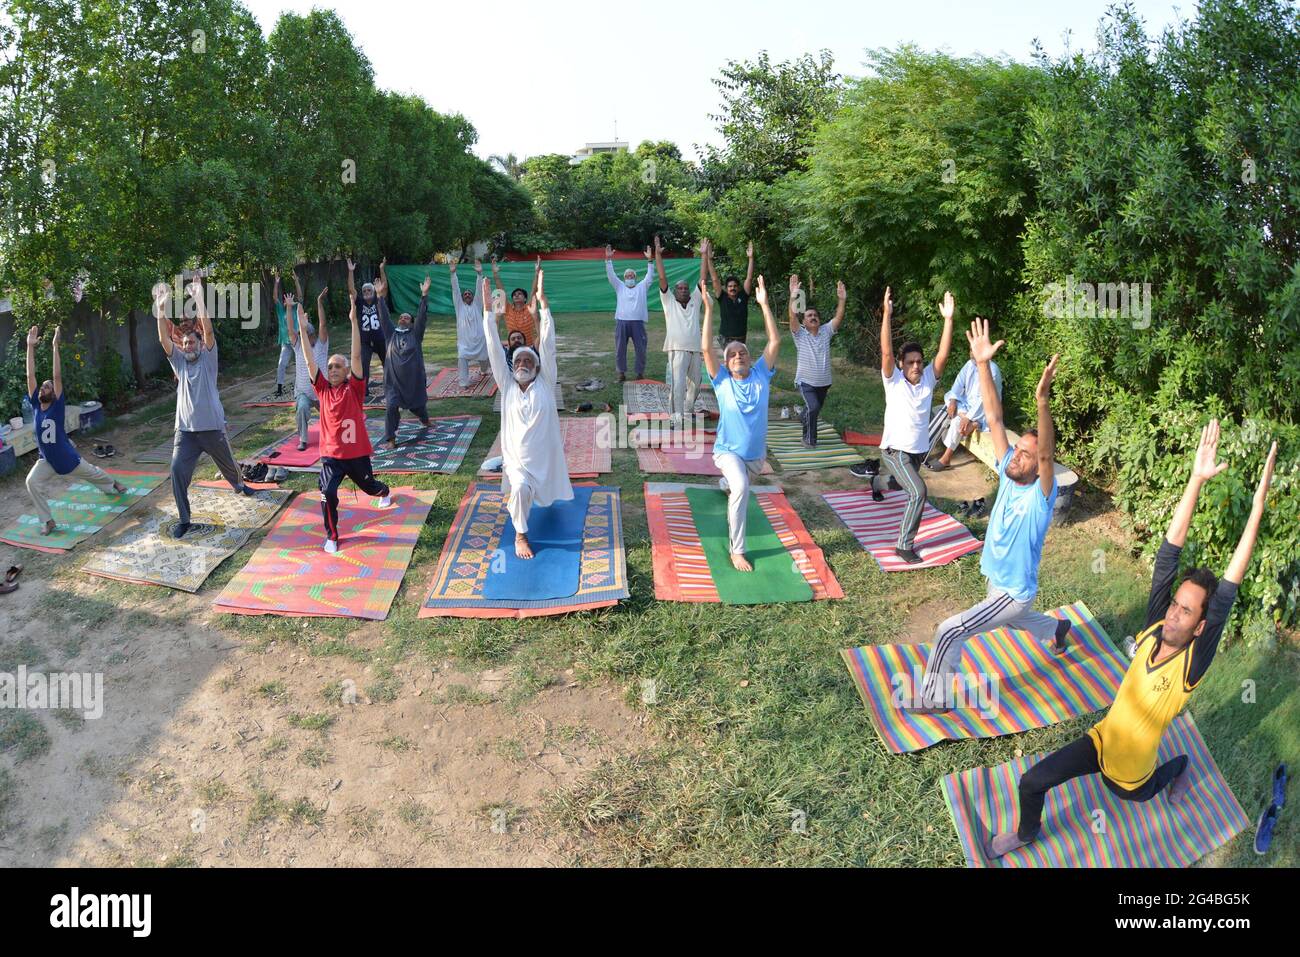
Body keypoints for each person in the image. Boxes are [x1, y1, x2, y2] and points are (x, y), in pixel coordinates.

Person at [986, 425, 1278, 859]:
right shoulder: (1152, 630)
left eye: (1186, 611)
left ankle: (1179, 767)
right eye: (1175, 603)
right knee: (1032, 782)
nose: (1174, 613)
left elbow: (1229, 591)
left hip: (1133, 779)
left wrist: (1256, 509)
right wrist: (1195, 480)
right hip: (1100, 742)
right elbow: (1167, 556)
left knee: (1151, 785)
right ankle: (1027, 834)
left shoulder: (1191, 667)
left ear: (1202, 626)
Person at [901, 318, 1069, 713]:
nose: (1018, 456)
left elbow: (1045, 454)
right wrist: (980, 364)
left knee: (949, 631)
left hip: (1013, 591)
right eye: (1018, 450)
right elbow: (993, 418)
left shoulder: (1041, 496)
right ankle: (1058, 629)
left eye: (1027, 455)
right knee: (1016, 620)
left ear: (1040, 465)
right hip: (1001, 583)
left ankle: (936, 699)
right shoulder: (1010, 469)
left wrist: (1042, 401)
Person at [853, 287, 954, 563]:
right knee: (918, 491)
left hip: (917, 452)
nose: (916, 366)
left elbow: (943, 356)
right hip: (895, 450)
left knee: (901, 485)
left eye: (920, 362)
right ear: (901, 364)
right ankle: (903, 545)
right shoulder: (894, 380)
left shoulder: (928, 381)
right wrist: (887, 314)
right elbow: (886, 353)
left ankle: (878, 481)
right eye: (910, 362)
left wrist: (948, 320)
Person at [481, 271, 572, 559]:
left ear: (537, 367)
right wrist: (488, 315)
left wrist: (543, 307)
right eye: (518, 359)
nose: (522, 362)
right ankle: (521, 534)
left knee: (545, 496)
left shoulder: (545, 381)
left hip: (544, 458)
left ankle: (531, 497)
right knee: (519, 490)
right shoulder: (507, 384)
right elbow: (495, 350)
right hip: (517, 461)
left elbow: (548, 344)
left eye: (528, 360)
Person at [156, 276, 256, 539]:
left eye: (193, 343)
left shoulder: (209, 360)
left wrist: (199, 297)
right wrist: (161, 309)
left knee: (228, 465)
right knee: (177, 471)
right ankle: (184, 519)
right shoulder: (179, 363)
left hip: (211, 427)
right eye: (185, 343)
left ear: (200, 345)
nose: (189, 346)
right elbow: (164, 341)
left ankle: (239, 485)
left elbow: (208, 331)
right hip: (186, 432)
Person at [298, 292, 393, 554]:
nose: (333, 369)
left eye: (338, 366)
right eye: (330, 367)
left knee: (370, 487)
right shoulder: (323, 390)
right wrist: (301, 328)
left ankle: (385, 492)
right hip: (331, 457)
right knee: (327, 492)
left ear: (346, 370)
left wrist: (354, 321)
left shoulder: (355, 389)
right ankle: (332, 536)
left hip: (357, 455)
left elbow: (356, 356)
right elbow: (308, 360)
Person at [701, 275, 781, 572]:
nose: (738, 356)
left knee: (738, 482)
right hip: (728, 450)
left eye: (742, 353)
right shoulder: (721, 380)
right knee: (742, 488)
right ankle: (737, 550)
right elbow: (707, 349)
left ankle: (726, 484)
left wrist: (764, 305)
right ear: (726, 361)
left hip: (755, 455)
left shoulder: (761, 373)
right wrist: (709, 309)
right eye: (732, 354)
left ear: (750, 358)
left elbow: (774, 341)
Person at [23, 315, 126, 536]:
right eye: (42, 388)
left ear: (54, 393)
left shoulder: (56, 407)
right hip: (47, 461)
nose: (43, 388)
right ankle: (48, 521)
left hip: (68, 459)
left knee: (94, 474)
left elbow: (57, 376)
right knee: (31, 482)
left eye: (47, 387)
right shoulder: (35, 405)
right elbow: (30, 375)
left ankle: (113, 483)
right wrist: (29, 347)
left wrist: (54, 346)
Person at [654, 234, 707, 429]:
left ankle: (688, 410)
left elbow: (702, 279)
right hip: (676, 350)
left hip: (695, 349)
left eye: (685, 288)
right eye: (680, 288)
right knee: (677, 386)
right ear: (674, 291)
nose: (684, 290)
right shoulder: (668, 301)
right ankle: (675, 418)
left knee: (695, 384)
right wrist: (658, 255)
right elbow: (661, 277)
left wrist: (704, 256)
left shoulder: (695, 299)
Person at [787, 274, 846, 448]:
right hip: (806, 382)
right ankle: (809, 440)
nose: (813, 317)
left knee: (813, 410)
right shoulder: (800, 334)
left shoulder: (826, 331)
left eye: (815, 315)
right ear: (804, 322)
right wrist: (794, 295)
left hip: (824, 383)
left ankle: (803, 417)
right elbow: (792, 317)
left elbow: (839, 317)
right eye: (809, 315)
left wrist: (841, 300)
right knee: (813, 408)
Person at [378, 269, 432, 450]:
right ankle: (390, 439)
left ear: (411, 322)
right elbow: (384, 316)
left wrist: (424, 295)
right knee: (391, 408)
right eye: (401, 317)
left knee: (418, 406)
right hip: (393, 383)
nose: (402, 319)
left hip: (413, 381)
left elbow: (422, 318)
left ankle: (425, 420)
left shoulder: (415, 334)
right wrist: (380, 297)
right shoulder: (390, 334)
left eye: (406, 317)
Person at [925, 351, 1004, 472]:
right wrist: (953, 401)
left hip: (986, 410)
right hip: (968, 407)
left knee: (957, 421)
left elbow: (985, 400)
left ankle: (946, 459)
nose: (972, 352)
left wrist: (968, 417)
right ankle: (971, 422)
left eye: (975, 349)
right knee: (949, 398)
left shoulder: (992, 370)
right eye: (971, 349)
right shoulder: (970, 364)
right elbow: (958, 384)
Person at [286, 287, 331, 452]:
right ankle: (303, 440)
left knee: (331, 413)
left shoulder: (322, 344)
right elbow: (290, 330)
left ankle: (332, 435)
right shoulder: (299, 345)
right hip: (304, 392)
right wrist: (289, 307)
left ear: (313, 335)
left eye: (308, 334)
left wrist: (319, 302)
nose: (306, 337)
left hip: (321, 392)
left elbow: (323, 324)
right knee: (303, 408)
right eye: (304, 334)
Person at [604, 243, 654, 382]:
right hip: (622, 322)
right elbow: (611, 276)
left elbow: (650, 276)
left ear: (635, 278)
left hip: (638, 323)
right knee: (620, 349)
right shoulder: (619, 286)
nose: (630, 277)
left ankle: (639, 373)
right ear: (624, 278)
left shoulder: (642, 287)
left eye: (632, 275)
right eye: (627, 275)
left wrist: (650, 261)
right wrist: (608, 260)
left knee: (641, 349)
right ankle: (621, 373)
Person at [347, 256, 390, 396]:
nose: (366, 292)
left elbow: (384, 287)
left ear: (373, 291)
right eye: (364, 291)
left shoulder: (378, 299)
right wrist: (351, 271)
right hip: (365, 341)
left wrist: (382, 269)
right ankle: (364, 390)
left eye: (368, 290)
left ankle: (391, 386)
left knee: (387, 363)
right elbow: (351, 289)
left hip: (380, 338)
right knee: (364, 364)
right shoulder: (359, 302)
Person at [449, 256, 489, 387]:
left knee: (484, 359)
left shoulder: (477, 305)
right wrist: (453, 273)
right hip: (465, 343)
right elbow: (455, 290)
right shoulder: (459, 307)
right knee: (462, 357)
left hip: (480, 339)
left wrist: (479, 274)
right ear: (461, 298)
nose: (467, 295)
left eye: (469, 294)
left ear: (473, 297)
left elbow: (479, 290)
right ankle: (463, 382)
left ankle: (484, 370)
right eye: (465, 294)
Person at [707, 240, 755, 345]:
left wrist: (751, 258)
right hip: (726, 338)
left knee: (739, 361)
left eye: (735, 286)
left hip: (741, 337)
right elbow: (715, 279)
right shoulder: (722, 297)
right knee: (729, 361)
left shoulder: (743, 296)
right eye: (730, 286)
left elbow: (749, 278)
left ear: (738, 287)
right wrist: (709, 259)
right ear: (726, 288)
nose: (732, 288)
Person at [490, 254, 539, 348]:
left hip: (529, 346)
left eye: (519, 294)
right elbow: (500, 290)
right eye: (514, 295)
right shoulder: (508, 309)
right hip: (512, 347)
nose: (516, 295)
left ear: (525, 298)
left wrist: (537, 273)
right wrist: (495, 274)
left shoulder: (530, 308)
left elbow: (534, 291)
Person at [270, 266, 302, 397]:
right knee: (281, 364)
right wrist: (276, 282)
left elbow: (300, 296)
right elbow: (274, 297)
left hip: (297, 341)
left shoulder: (296, 309)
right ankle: (279, 388)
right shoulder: (280, 310)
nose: (287, 301)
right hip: (285, 342)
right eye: (285, 300)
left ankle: (303, 384)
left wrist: (296, 281)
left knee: (301, 363)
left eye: (289, 299)